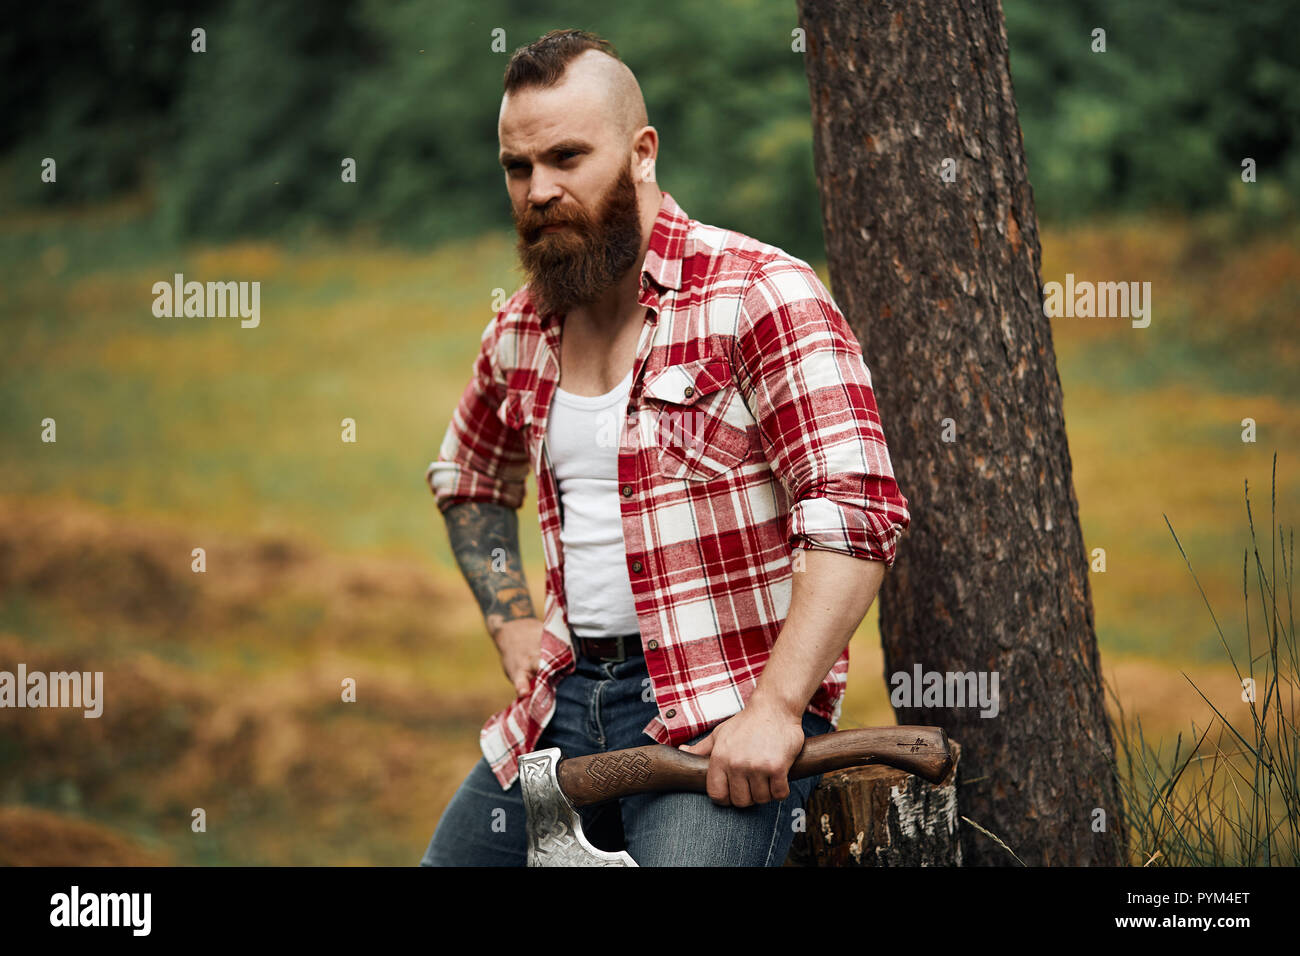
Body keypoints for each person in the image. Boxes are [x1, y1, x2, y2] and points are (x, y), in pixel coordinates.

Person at [419, 28, 910, 866]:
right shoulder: (520, 328)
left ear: (642, 152)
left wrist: (777, 710)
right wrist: (512, 627)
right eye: (517, 167)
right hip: (560, 706)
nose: (539, 190)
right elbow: (469, 476)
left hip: (719, 716)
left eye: (568, 158)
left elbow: (856, 514)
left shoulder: (760, 295)